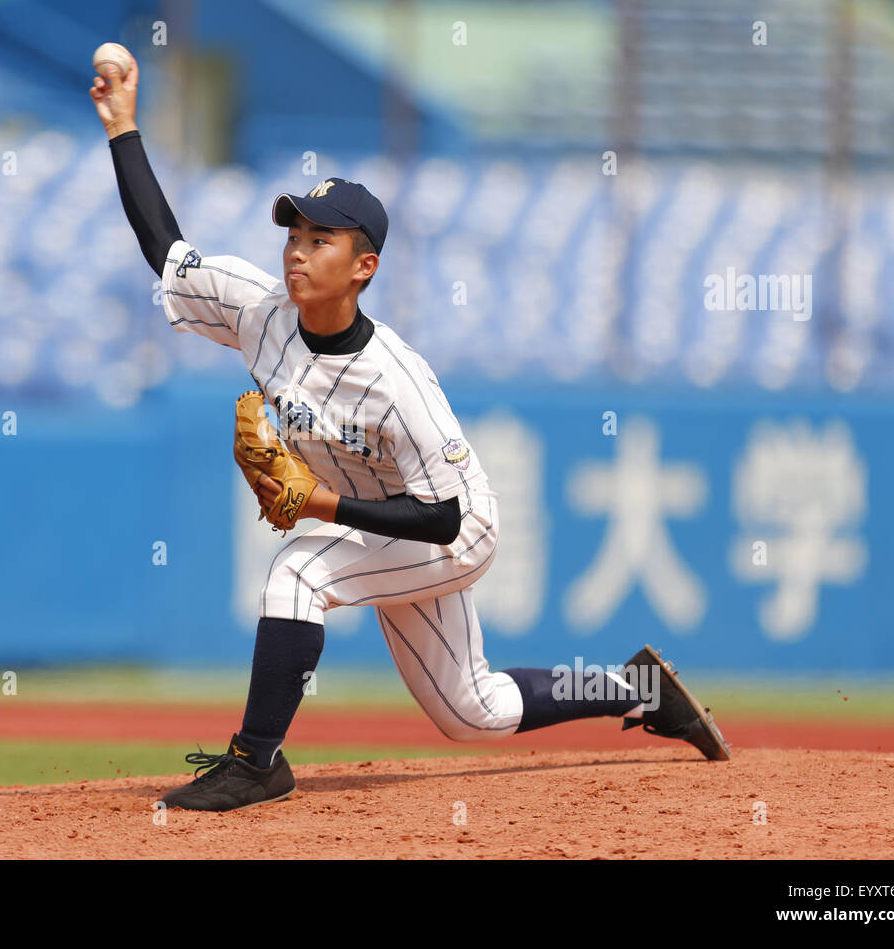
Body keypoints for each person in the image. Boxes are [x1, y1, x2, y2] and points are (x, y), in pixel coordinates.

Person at [89, 52, 730, 812]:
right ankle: (636, 689)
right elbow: (167, 250)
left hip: (450, 530)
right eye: (294, 230)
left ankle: (256, 762)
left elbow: (444, 517)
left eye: (320, 238)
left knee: (298, 572)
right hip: (374, 517)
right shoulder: (258, 311)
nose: (297, 248)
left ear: (364, 266)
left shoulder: (396, 381)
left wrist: (321, 506)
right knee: (472, 711)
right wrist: (124, 126)